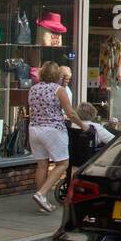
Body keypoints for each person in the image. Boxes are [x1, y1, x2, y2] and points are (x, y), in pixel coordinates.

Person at [28, 61, 89, 213]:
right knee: (63, 164)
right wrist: (83, 125)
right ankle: (41, 194)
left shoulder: (33, 89)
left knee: (42, 165)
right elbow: (71, 113)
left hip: (34, 129)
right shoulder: (59, 90)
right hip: (53, 130)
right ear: (57, 76)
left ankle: (41, 203)